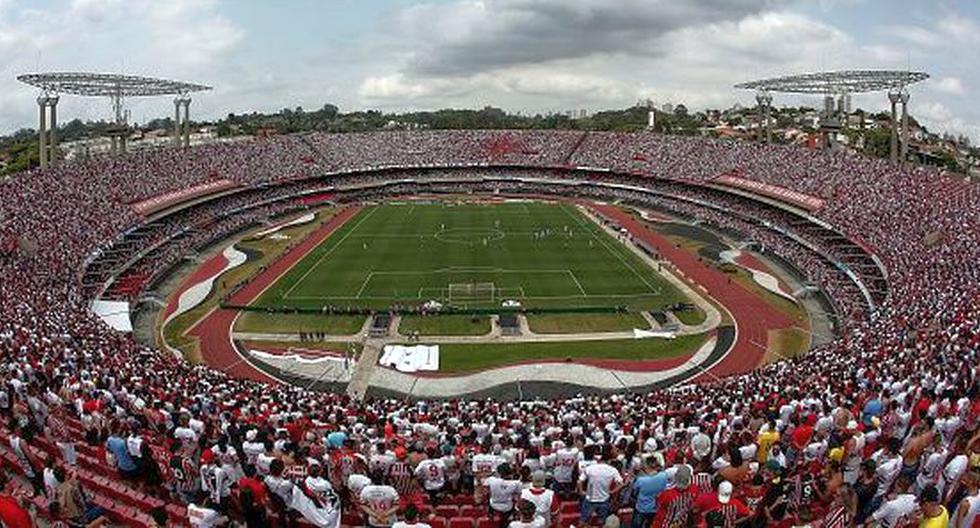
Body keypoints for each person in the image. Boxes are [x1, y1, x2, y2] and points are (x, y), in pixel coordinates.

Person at [578, 451, 624, 526]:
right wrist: (612, 491)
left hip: (590, 499)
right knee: (601, 522)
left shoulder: (590, 468)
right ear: (609, 460)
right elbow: (621, 484)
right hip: (604, 499)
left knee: (583, 521)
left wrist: (581, 491)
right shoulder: (613, 470)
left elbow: (579, 481)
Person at [630, 455, 667, 528]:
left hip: (641, 508)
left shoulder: (641, 480)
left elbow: (634, 490)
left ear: (647, 466)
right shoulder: (663, 476)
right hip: (655, 509)